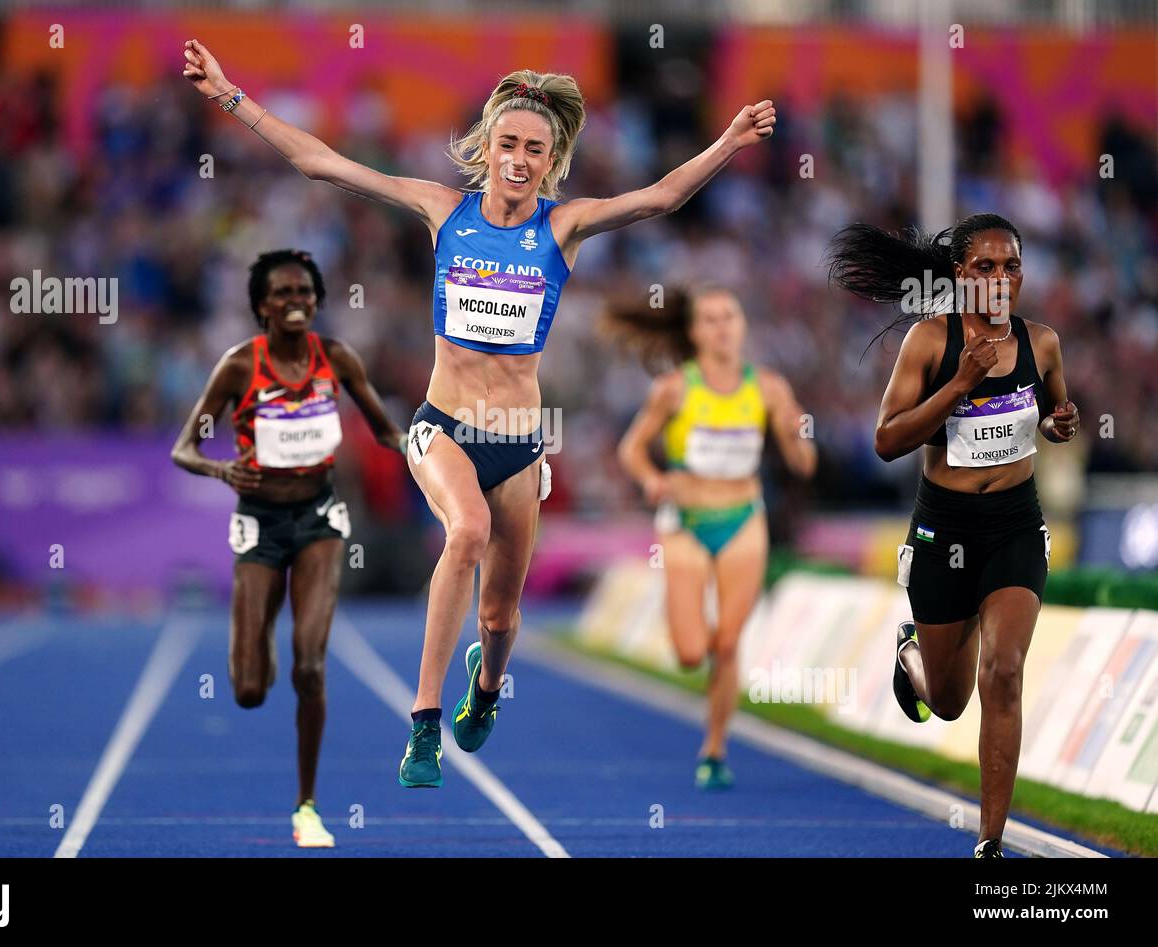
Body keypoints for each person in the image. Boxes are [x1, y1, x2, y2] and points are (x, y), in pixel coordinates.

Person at [182, 38, 777, 788]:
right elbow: (323, 163)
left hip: (521, 445)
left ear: (551, 159)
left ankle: (485, 688)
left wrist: (729, 139)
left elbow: (660, 197)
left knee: (499, 618)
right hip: (442, 426)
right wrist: (231, 95)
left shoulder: (563, 227)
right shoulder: (444, 209)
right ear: (486, 146)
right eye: (508, 144)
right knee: (464, 531)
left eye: (535, 148)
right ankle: (424, 723)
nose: (520, 159)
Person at [827, 214, 1080, 857]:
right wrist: (962, 385)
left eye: (1011, 267)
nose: (1000, 279)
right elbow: (887, 441)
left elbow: (1053, 411)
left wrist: (1059, 424)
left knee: (1005, 670)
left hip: (1015, 525)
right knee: (947, 701)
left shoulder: (1042, 343)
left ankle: (990, 842)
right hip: (945, 528)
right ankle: (911, 655)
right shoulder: (929, 343)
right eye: (986, 267)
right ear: (961, 275)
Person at [171, 249, 407, 845]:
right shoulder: (237, 368)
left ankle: (307, 806)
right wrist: (225, 472)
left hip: (320, 519)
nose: (294, 301)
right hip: (258, 522)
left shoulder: (339, 360)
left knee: (309, 663)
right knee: (250, 690)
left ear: (317, 299)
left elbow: (385, 430)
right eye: (281, 293)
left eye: (304, 291)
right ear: (260, 307)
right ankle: (258, 631)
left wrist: (430, 451)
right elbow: (185, 449)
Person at [612, 286, 815, 789]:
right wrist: (650, 479)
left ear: (743, 325)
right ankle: (694, 653)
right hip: (685, 523)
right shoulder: (675, 388)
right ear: (694, 332)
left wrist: (796, 433)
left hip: (744, 519)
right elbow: (630, 449)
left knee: (727, 643)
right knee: (689, 653)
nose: (722, 326)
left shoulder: (769, 388)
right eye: (711, 319)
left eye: (730, 316)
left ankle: (715, 749)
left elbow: (804, 466)